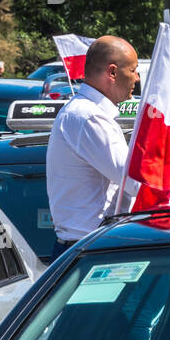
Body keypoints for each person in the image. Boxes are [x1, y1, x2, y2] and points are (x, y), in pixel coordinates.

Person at [45, 36, 140, 258]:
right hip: (90, 250)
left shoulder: (85, 114)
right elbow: (134, 181)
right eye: (134, 70)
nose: (136, 78)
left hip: (87, 247)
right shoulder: (89, 117)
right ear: (113, 72)